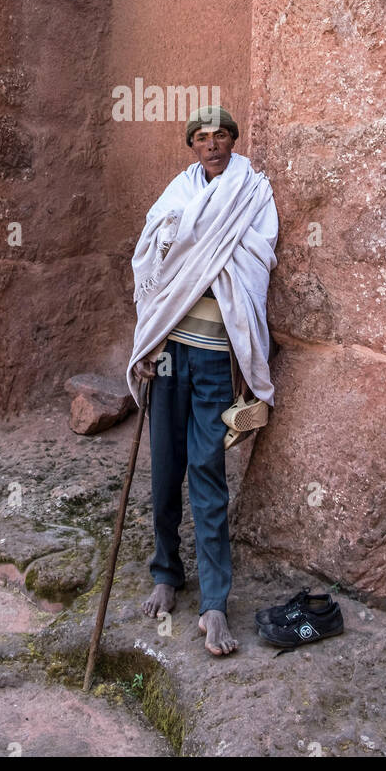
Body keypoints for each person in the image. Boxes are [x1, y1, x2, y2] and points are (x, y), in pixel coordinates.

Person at [127, 105, 279, 656]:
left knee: (208, 476)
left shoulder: (253, 195)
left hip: (216, 357)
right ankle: (166, 573)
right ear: (192, 145)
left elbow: (256, 260)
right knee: (165, 469)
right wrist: (148, 344)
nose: (212, 144)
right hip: (170, 353)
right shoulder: (177, 195)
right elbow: (153, 265)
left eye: (222, 136)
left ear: (235, 141)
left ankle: (215, 603)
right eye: (202, 137)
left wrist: (210, 258)